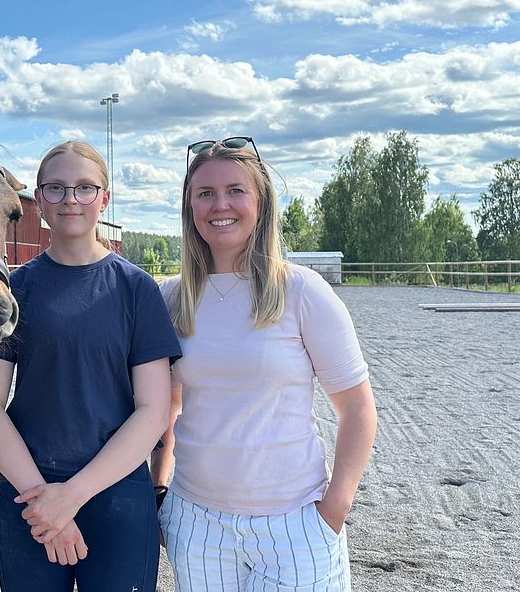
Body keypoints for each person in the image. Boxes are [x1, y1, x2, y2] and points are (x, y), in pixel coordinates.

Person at [152, 137, 377, 591]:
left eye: (236, 190)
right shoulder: (171, 297)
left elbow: (357, 409)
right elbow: (166, 404)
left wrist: (335, 509)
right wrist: (160, 490)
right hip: (197, 525)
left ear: (261, 202)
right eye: (205, 193)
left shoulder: (303, 292)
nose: (221, 205)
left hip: (294, 524)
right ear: (189, 205)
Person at [0, 141, 181, 591]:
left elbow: (154, 410)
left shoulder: (136, 290)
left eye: (85, 188)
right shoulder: (15, 289)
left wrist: (71, 497)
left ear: (104, 199)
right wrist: (43, 502)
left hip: (116, 493)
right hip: (27, 492)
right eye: (56, 188)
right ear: (39, 200)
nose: (70, 198)